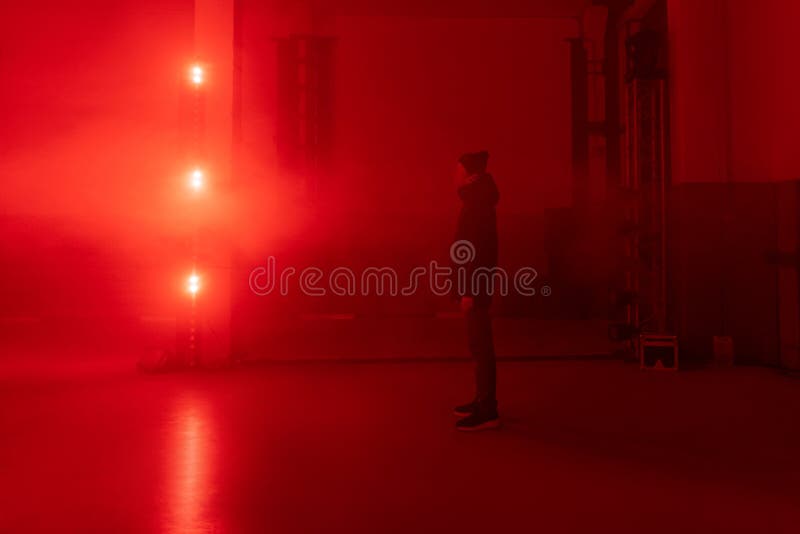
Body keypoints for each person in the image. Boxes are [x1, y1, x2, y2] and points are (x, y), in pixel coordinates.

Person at [451, 151, 500, 431]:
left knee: (481, 348)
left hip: (475, 290)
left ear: (471, 175)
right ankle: (482, 400)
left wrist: (470, 291)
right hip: (474, 287)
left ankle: (488, 409)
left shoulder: (478, 204)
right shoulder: (477, 201)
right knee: (478, 347)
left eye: (457, 171)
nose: (453, 177)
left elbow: (479, 252)